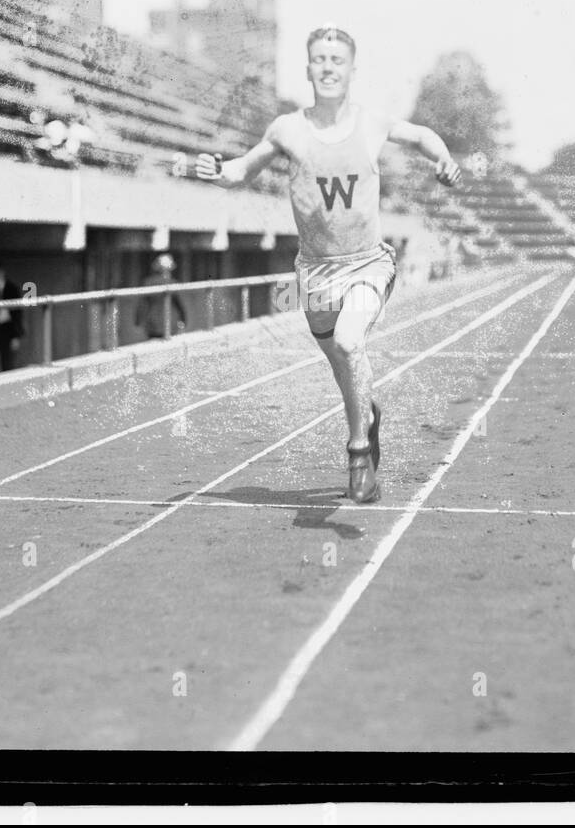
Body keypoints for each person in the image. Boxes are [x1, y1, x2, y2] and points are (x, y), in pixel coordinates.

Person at [196, 25, 461, 503]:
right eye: (320, 59)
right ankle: (368, 418)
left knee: (349, 339)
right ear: (308, 68)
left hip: (366, 264)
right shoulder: (287, 130)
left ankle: (360, 452)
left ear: (351, 70)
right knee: (343, 367)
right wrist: (219, 173)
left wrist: (443, 161)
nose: (328, 68)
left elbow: (421, 136)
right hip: (316, 273)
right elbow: (242, 169)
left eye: (337, 60)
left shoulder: (371, 123)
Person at [135, 253, 188, 340]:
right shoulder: (173, 283)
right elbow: (180, 304)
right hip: (171, 323)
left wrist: (138, 322)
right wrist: (184, 320)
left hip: (152, 325)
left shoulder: (147, 283)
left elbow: (142, 305)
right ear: (170, 269)